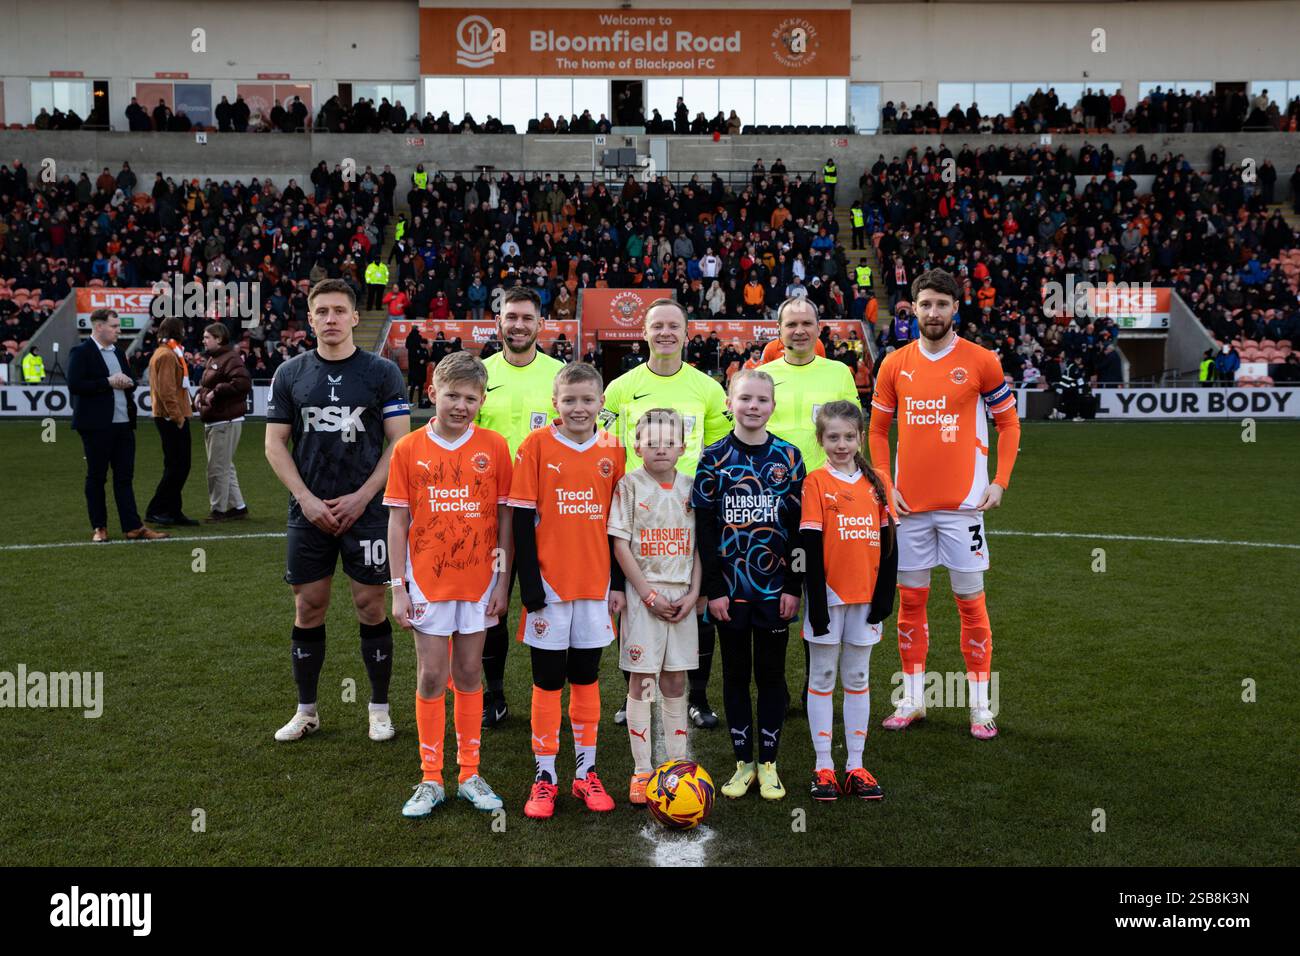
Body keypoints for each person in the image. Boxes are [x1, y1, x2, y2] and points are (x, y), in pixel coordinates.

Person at [868, 269, 1021, 739]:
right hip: (909, 507)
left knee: (970, 604)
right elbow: (875, 431)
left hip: (964, 507)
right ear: (912, 309)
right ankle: (913, 700)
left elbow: (1009, 425)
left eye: (941, 304)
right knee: (911, 602)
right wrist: (885, 484)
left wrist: (999, 482)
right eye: (925, 304)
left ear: (956, 308)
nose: (932, 313)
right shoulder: (894, 364)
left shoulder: (981, 361)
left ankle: (978, 706)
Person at [264, 278, 410, 743]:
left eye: (338, 311)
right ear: (310, 319)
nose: (330, 319)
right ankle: (307, 710)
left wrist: (364, 495)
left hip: (366, 510)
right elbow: (274, 445)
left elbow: (399, 443)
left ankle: (379, 709)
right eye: (321, 312)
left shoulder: (382, 372)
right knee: (309, 606)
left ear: (353, 317)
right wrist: (306, 499)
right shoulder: (290, 374)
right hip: (307, 511)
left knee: (370, 605)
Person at [385, 351, 512, 817]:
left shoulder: (495, 447)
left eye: (471, 398)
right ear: (432, 392)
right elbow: (398, 524)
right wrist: (398, 587)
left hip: (479, 583)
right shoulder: (408, 449)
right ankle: (431, 778)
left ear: (482, 400)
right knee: (433, 674)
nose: (461, 405)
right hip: (426, 582)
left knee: (469, 674)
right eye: (452, 395)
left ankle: (470, 773)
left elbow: (503, 519)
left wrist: (500, 580)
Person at [601, 298, 731, 730]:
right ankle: (634, 692)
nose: (665, 333)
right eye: (657, 326)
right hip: (636, 509)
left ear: (686, 333)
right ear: (645, 331)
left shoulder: (708, 389)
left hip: (691, 510)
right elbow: (604, 448)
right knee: (633, 603)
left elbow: (718, 454)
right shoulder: (620, 388)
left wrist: (710, 502)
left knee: (699, 604)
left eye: (673, 326)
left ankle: (697, 697)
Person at [510, 363, 626, 819]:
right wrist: (529, 584)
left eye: (588, 400)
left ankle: (585, 773)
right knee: (547, 680)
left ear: (601, 403)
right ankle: (545, 777)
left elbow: (620, 525)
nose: (579, 408)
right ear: (555, 404)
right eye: (570, 400)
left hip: (595, 587)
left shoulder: (613, 449)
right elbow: (521, 518)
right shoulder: (535, 446)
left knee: (586, 676)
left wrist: (616, 583)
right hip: (550, 588)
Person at [692, 368, 804, 800]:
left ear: (773, 406)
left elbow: (799, 531)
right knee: (736, 676)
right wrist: (714, 589)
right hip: (730, 594)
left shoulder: (790, 457)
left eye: (761, 399)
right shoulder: (713, 457)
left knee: (772, 676)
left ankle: (770, 764)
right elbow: (704, 529)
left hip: (775, 592)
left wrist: (794, 584)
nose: (753, 406)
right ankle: (743, 763)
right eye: (745, 399)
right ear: (729, 403)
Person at [473, 287, 564, 728]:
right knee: (490, 607)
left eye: (527, 317)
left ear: (540, 324)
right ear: (499, 322)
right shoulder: (480, 374)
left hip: (546, 514)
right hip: (486, 512)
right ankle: (493, 695)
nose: (519, 324)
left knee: (547, 604)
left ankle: (548, 695)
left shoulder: (559, 375)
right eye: (511, 317)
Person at [799, 401, 897, 802]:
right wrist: (816, 602)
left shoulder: (877, 484)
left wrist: (884, 597)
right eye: (833, 437)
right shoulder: (815, 483)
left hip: (866, 599)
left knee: (857, 678)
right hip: (829, 598)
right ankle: (824, 765)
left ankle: (855, 763)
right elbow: (807, 544)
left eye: (849, 437)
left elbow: (891, 547)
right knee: (822, 677)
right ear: (821, 440)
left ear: (860, 438)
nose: (841, 444)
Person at [609, 408, 702, 805]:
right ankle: (642, 769)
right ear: (637, 445)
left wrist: (694, 593)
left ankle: (679, 767)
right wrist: (647, 594)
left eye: (669, 441)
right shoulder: (628, 486)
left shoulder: (692, 487)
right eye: (651, 441)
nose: (660, 448)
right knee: (644, 681)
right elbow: (620, 545)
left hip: (682, 596)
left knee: (677, 680)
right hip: (643, 595)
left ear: (682, 446)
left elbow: (701, 548)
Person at [67, 308, 168, 543]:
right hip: (96, 426)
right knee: (96, 477)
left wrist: (127, 382)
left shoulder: (119, 353)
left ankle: (132, 527)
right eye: (114, 326)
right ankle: (99, 527)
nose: (118, 330)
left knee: (124, 478)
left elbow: (128, 382)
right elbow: (75, 384)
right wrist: (107, 382)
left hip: (123, 424)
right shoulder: (81, 352)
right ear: (98, 326)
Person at [762, 298, 860, 471]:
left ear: (818, 328)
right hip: (771, 483)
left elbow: (855, 433)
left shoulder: (840, 373)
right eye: (791, 324)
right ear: (779, 329)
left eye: (807, 323)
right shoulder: (761, 376)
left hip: (827, 485)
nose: (799, 331)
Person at [195, 322, 251, 521]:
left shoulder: (229, 358)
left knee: (217, 468)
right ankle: (238, 506)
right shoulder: (217, 358)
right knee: (225, 465)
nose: (204, 340)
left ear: (219, 338)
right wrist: (200, 396)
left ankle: (219, 510)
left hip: (224, 421)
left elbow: (242, 383)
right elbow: (211, 386)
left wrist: (215, 392)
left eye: (207, 337)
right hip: (218, 420)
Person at [144, 317, 197, 526]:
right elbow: (167, 391)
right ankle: (157, 509)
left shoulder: (166, 352)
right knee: (178, 466)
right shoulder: (167, 355)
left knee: (177, 465)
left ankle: (173, 511)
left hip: (170, 416)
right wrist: (178, 417)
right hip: (171, 417)